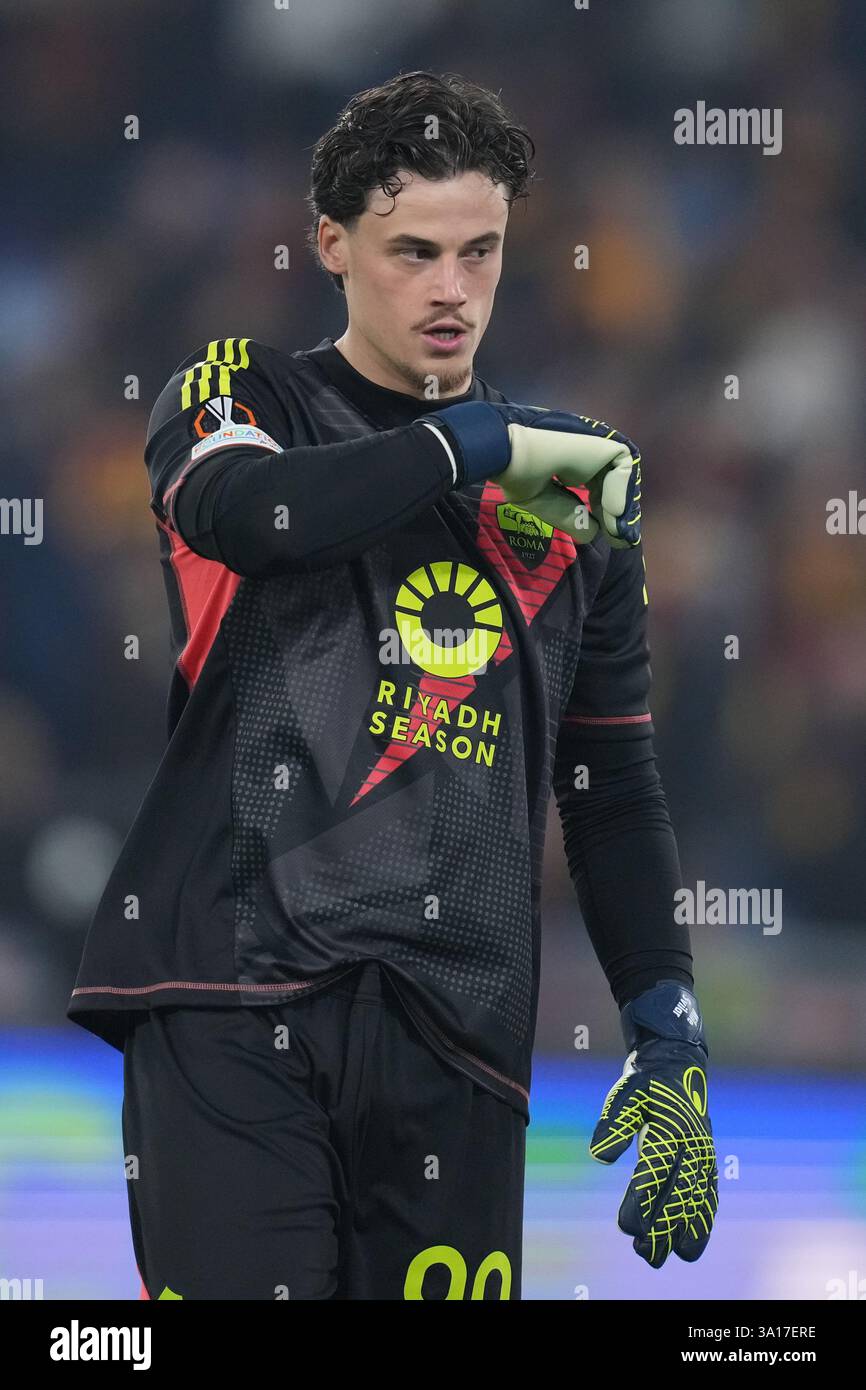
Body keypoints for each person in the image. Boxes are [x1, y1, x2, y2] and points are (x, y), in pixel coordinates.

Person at [67, 69, 717, 1300]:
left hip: (459, 1033)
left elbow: (613, 784)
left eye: (480, 253)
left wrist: (664, 1020)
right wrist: (475, 439)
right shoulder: (237, 395)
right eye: (412, 250)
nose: (450, 291)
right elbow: (256, 517)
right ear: (330, 244)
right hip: (231, 989)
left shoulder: (568, 503)